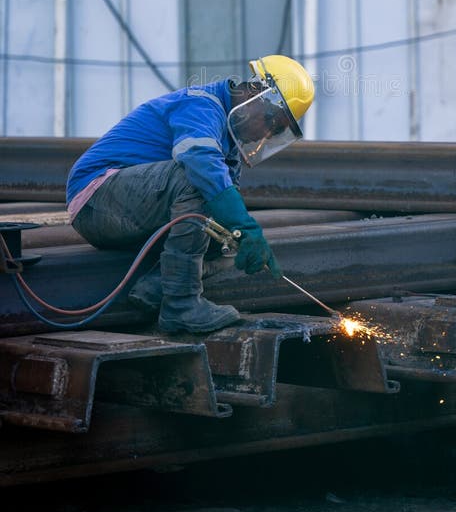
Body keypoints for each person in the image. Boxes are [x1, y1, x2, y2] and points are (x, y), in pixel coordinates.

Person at [66, 55, 315, 335]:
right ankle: (181, 305)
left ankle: (156, 287)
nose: (267, 133)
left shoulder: (228, 145)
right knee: (198, 178)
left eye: (277, 130)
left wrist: (241, 235)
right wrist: (244, 224)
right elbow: (199, 159)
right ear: (255, 92)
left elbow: (217, 206)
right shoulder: (201, 104)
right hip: (97, 200)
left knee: (226, 242)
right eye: (271, 121)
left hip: (135, 212)